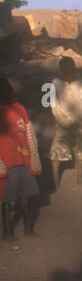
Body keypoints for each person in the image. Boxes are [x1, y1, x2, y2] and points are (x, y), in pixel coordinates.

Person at [0, 78, 42, 239]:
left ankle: (27, 230)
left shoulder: (20, 110)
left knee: (25, 197)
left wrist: (34, 158)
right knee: (7, 199)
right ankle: (7, 232)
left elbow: (29, 133)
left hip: (24, 160)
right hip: (7, 163)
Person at [49, 57, 82, 190]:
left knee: (80, 152)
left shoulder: (81, 83)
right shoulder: (55, 83)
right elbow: (53, 104)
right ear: (62, 68)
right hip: (62, 123)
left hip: (79, 123)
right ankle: (55, 183)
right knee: (56, 153)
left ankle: (79, 178)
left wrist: (81, 119)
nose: (70, 68)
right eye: (67, 66)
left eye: (72, 65)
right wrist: (63, 119)